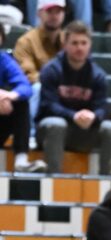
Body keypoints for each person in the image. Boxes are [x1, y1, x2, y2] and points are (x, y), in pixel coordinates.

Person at [36, 21, 111, 175]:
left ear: (90, 45)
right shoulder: (51, 70)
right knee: (56, 124)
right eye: (74, 43)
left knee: (110, 128)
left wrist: (94, 116)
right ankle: (54, 179)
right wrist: (73, 115)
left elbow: (102, 108)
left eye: (83, 43)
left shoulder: (98, 75)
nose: (79, 47)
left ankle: (108, 183)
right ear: (65, 44)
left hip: (83, 131)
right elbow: (48, 105)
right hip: (51, 131)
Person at [12, 0, 63, 143]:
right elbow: (28, 73)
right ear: (39, 13)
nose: (54, 16)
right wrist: (52, 82)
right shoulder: (26, 41)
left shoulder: (69, 40)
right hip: (39, 88)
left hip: (63, 89)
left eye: (58, 11)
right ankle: (31, 135)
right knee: (36, 88)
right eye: (49, 11)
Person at [0, 28, 43, 173]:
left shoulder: (4, 59)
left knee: (20, 101)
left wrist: (9, 96)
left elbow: (25, 87)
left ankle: (21, 160)